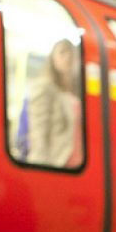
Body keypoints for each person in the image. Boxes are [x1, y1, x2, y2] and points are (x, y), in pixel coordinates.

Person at [27, 38, 82, 167]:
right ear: (53, 58)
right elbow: (38, 133)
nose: (67, 57)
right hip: (57, 163)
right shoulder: (44, 87)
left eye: (71, 53)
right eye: (62, 53)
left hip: (77, 166)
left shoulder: (75, 92)